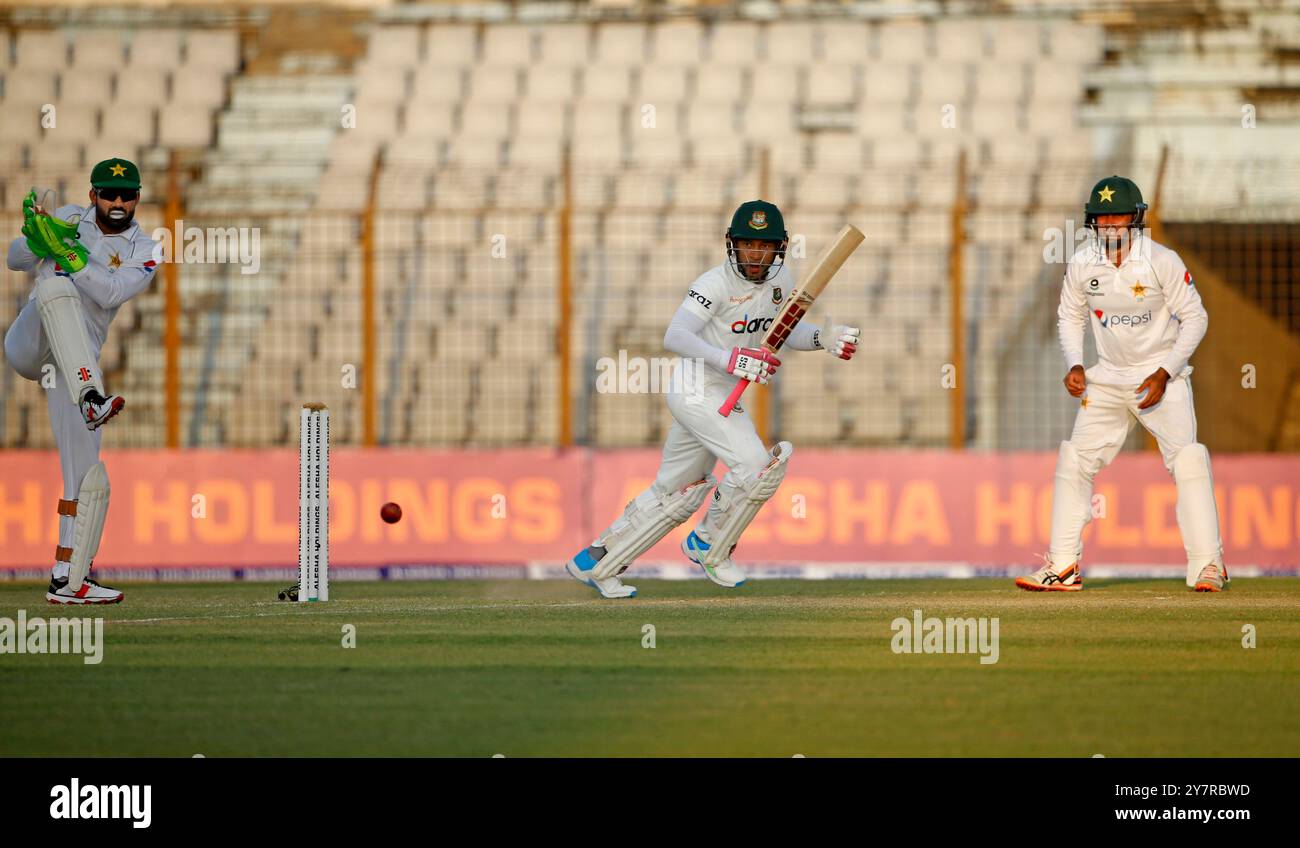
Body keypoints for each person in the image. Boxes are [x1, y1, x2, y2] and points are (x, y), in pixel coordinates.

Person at [567, 200, 860, 598]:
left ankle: (595, 561)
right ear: (731, 245)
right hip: (696, 388)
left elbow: (784, 330)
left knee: (677, 492)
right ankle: (707, 544)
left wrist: (821, 339)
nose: (756, 255)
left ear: (780, 248)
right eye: (747, 245)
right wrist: (730, 358)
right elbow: (675, 336)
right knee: (758, 467)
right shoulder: (713, 284)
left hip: (719, 393)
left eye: (765, 246)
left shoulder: (781, 281)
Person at [1017, 176, 1227, 593]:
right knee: (1075, 459)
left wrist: (1165, 371)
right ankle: (1062, 566)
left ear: (1135, 220)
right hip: (1108, 377)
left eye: (1118, 217)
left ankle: (1209, 566)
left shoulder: (1161, 260)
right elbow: (1069, 316)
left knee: (1187, 459)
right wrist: (1076, 363)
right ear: (1092, 222)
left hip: (1159, 377)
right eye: (1102, 217)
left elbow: (1196, 317)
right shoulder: (1081, 263)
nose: (1110, 225)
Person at [4, 158, 159, 604]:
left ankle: (70, 579)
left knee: (86, 474)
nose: (117, 202)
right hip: (31, 343)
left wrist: (69, 256)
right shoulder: (70, 216)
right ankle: (92, 396)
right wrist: (39, 239)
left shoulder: (145, 248)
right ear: (92, 195)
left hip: (73, 365)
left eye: (126, 194)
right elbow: (15, 260)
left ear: (136, 198)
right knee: (53, 288)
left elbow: (111, 291)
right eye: (108, 194)